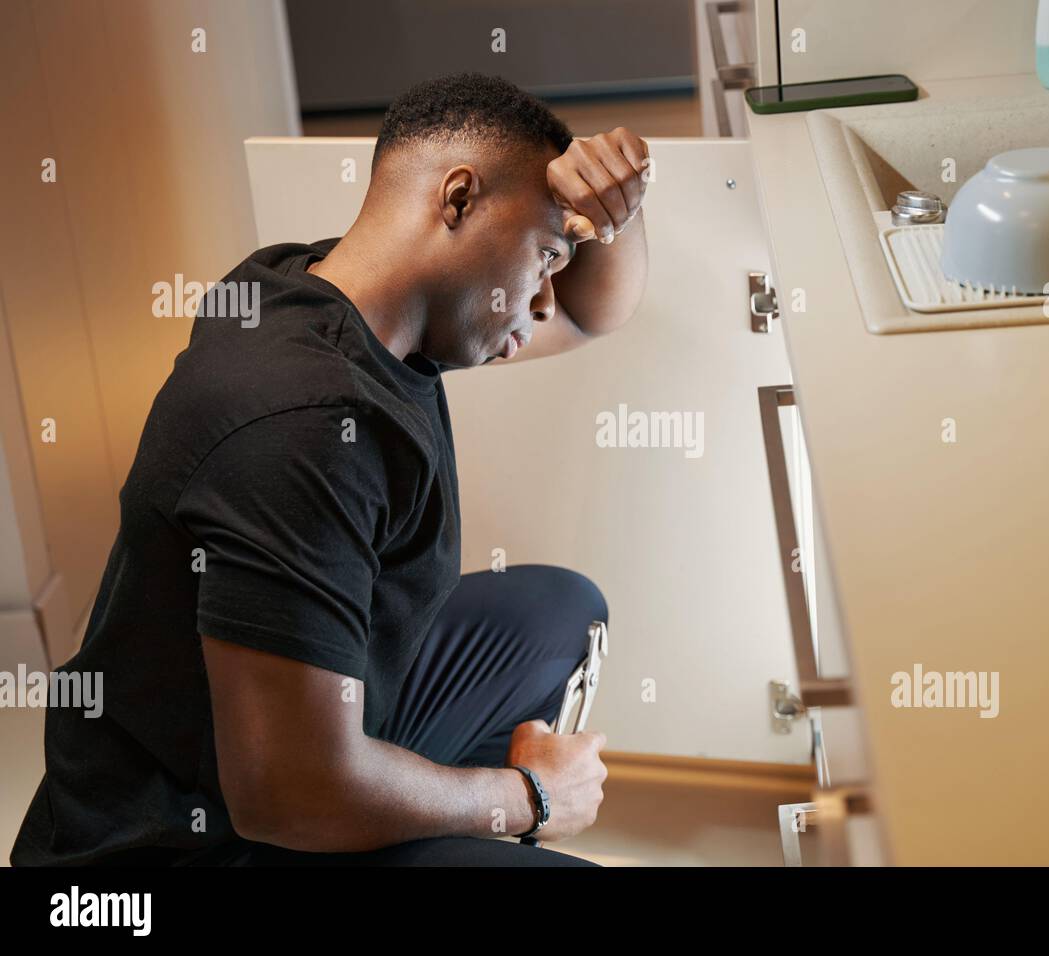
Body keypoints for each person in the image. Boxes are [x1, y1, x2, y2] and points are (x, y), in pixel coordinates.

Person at [11, 72, 649, 866]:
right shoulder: (299, 425)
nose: (550, 298)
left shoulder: (310, 288)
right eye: (547, 256)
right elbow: (288, 794)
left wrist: (615, 211)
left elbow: (595, 312)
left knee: (555, 612)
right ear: (457, 202)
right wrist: (526, 799)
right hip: (189, 844)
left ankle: (403, 807)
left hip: (288, 753)